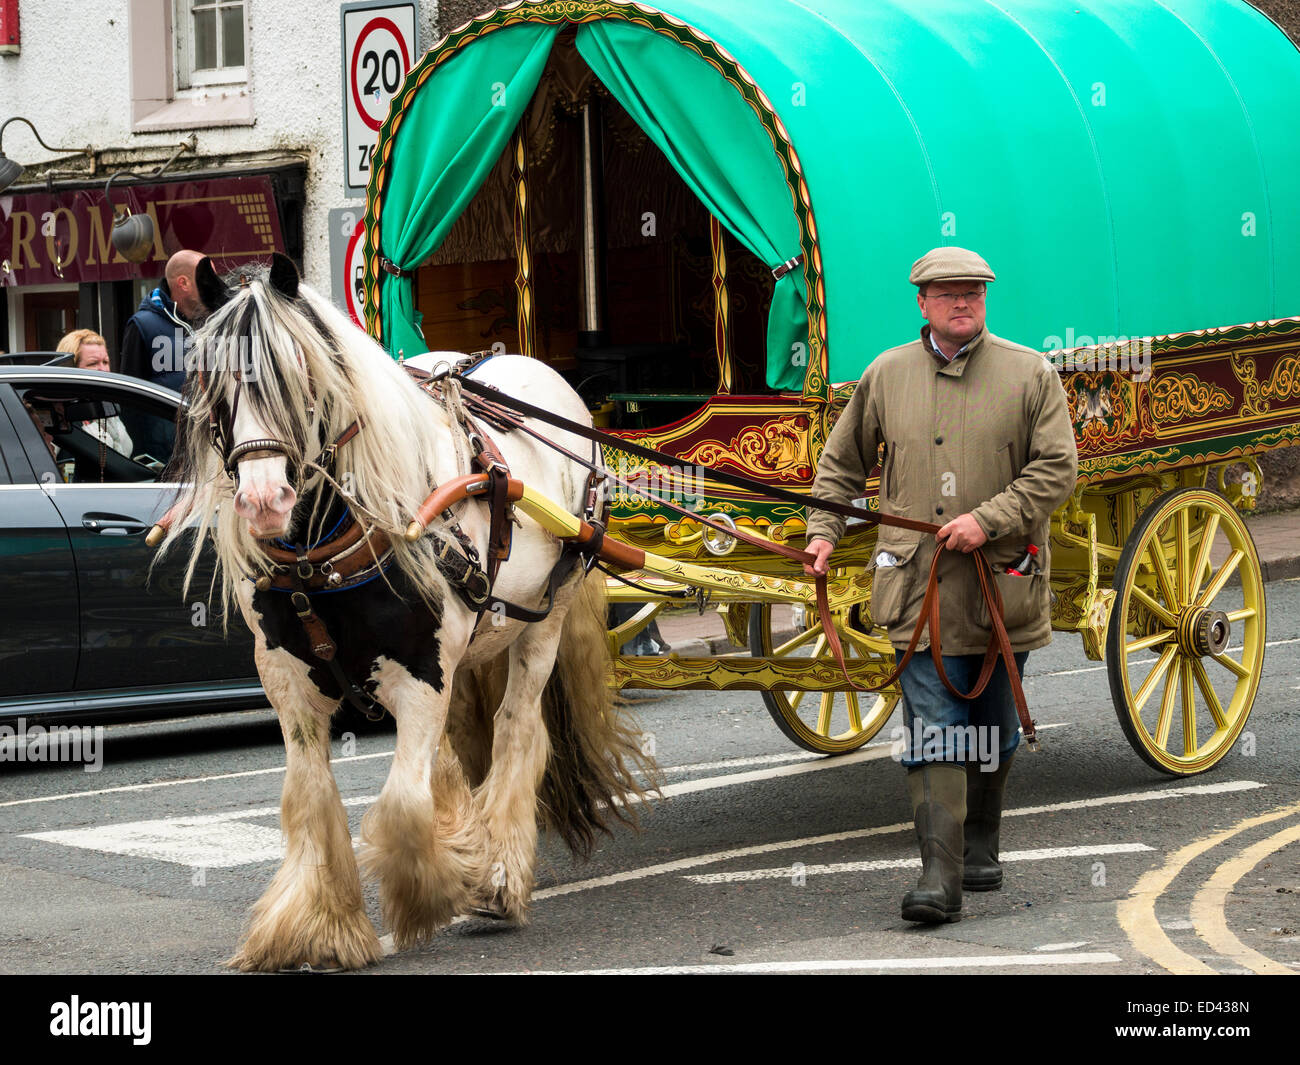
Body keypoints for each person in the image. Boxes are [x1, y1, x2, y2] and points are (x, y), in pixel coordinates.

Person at [804, 246, 1078, 924]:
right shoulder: (887, 374)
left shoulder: (1029, 373)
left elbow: (1056, 471)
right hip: (916, 589)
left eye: (974, 293)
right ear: (921, 303)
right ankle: (939, 877)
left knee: (996, 726)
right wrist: (822, 533)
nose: (964, 302)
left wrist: (988, 521)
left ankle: (980, 846)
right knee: (934, 727)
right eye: (949, 293)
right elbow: (841, 465)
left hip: (999, 591)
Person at [118, 249, 209, 460]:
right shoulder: (143, 325)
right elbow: (129, 399)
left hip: (210, 454)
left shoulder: (214, 322)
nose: (214, 285)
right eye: (207, 279)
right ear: (183, 283)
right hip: (165, 460)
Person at [57, 328, 133, 457]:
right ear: (71, 369)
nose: (103, 369)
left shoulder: (109, 406)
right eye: (93, 363)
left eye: (105, 362)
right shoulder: (60, 413)